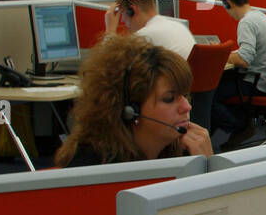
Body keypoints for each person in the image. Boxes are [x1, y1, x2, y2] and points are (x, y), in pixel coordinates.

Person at [54, 35, 212, 166]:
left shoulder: (184, 150)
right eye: (169, 99)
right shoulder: (94, 167)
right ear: (130, 111)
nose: (187, 106)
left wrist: (207, 167)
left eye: (184, 95)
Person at [213, 0, 266, 149]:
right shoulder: (262, 17)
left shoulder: (246, 22)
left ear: (228, 4)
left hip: (257, 84)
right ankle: (238, 130)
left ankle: (241, 126)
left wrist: (219, 53)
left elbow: (244, 59)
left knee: (210, 95)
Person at [103, 0, 195, 59]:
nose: (122, 20)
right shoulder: (179, 27)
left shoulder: (144, 36)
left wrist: (110, 32)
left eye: (122, 13)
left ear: (132, 11)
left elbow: (109, 66)